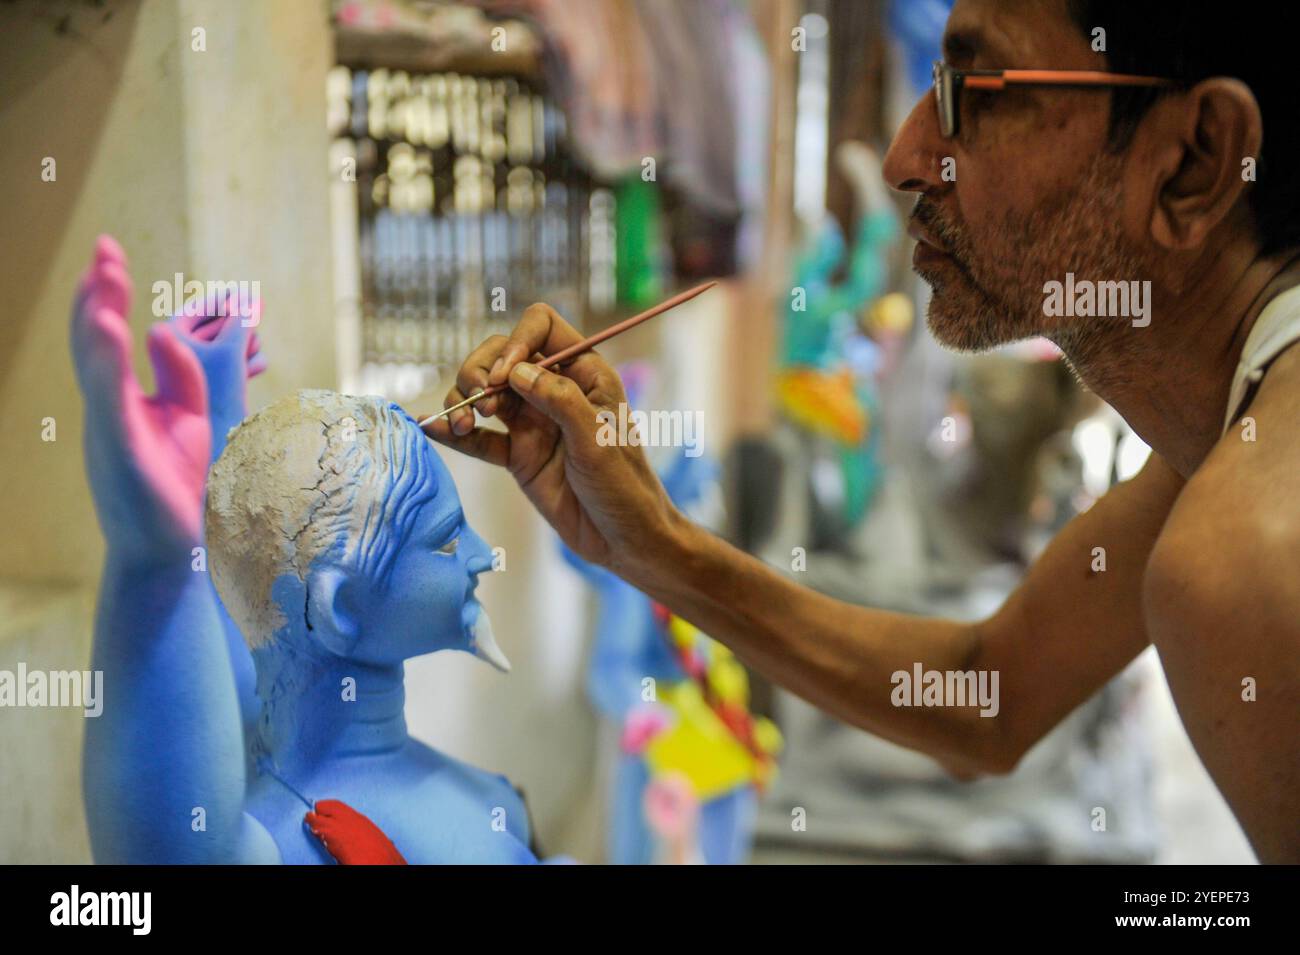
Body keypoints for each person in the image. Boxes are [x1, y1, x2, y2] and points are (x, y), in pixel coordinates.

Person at [427, 0, 1300, 863]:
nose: (905, 156)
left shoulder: (1244, 550)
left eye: (975, 90)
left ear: (1195, 160)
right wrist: (648, 543)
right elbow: (989, 696)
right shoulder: (1229, 438)